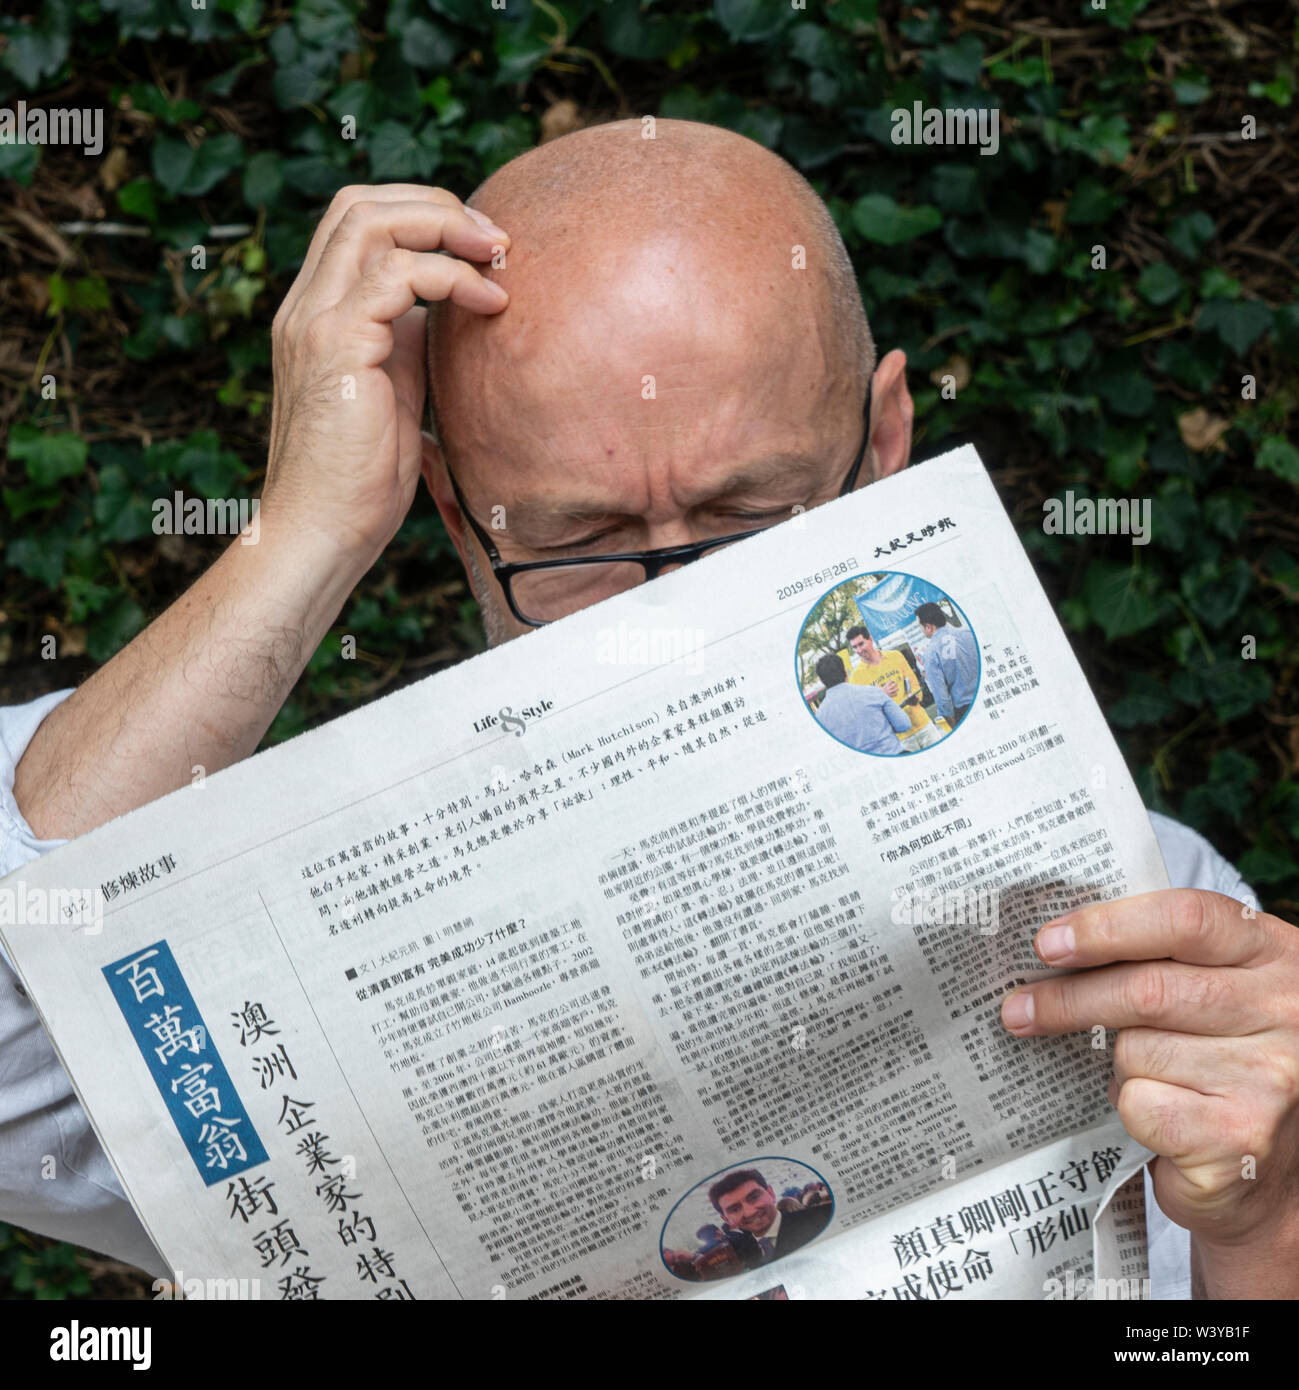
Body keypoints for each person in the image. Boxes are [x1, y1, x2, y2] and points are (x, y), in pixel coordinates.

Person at [1, 118, 1295, 1300]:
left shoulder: (1139, 905)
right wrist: (300, 535)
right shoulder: (298, 943)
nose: (670, 610)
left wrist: (1259, 1226)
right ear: (457, 517)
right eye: (579, 540)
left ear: (886, 446)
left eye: (749, 516)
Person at [707, 1169, 832, 1271]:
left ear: (771, 1194)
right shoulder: (740, 1255)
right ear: (726, 1219)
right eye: (734, 1209)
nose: (750, 1211)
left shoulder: (822, 1217)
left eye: (754, 1197)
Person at [844, 622, 942, 749]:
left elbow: (914, 684)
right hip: (899, 738)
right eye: (855, 647)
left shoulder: (895, 656)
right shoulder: (856, 678)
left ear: (870, 639)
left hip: (923, 724)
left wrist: (915, 697)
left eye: (861, 644)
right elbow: (863, 713)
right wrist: (880, 695)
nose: (859, 650)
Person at [812, 652, 911, 755]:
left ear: (822, 681)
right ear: (845, 672)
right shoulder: (873, 692)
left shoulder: (820, 717)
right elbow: (904, 724)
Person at [914, 601, 979, 727]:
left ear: (928, 626)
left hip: (964, 710)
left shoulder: (931, 654)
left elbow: (942, 698)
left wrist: (951, 724)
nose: (920, 630)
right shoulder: (969, 633)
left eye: (919, 626)